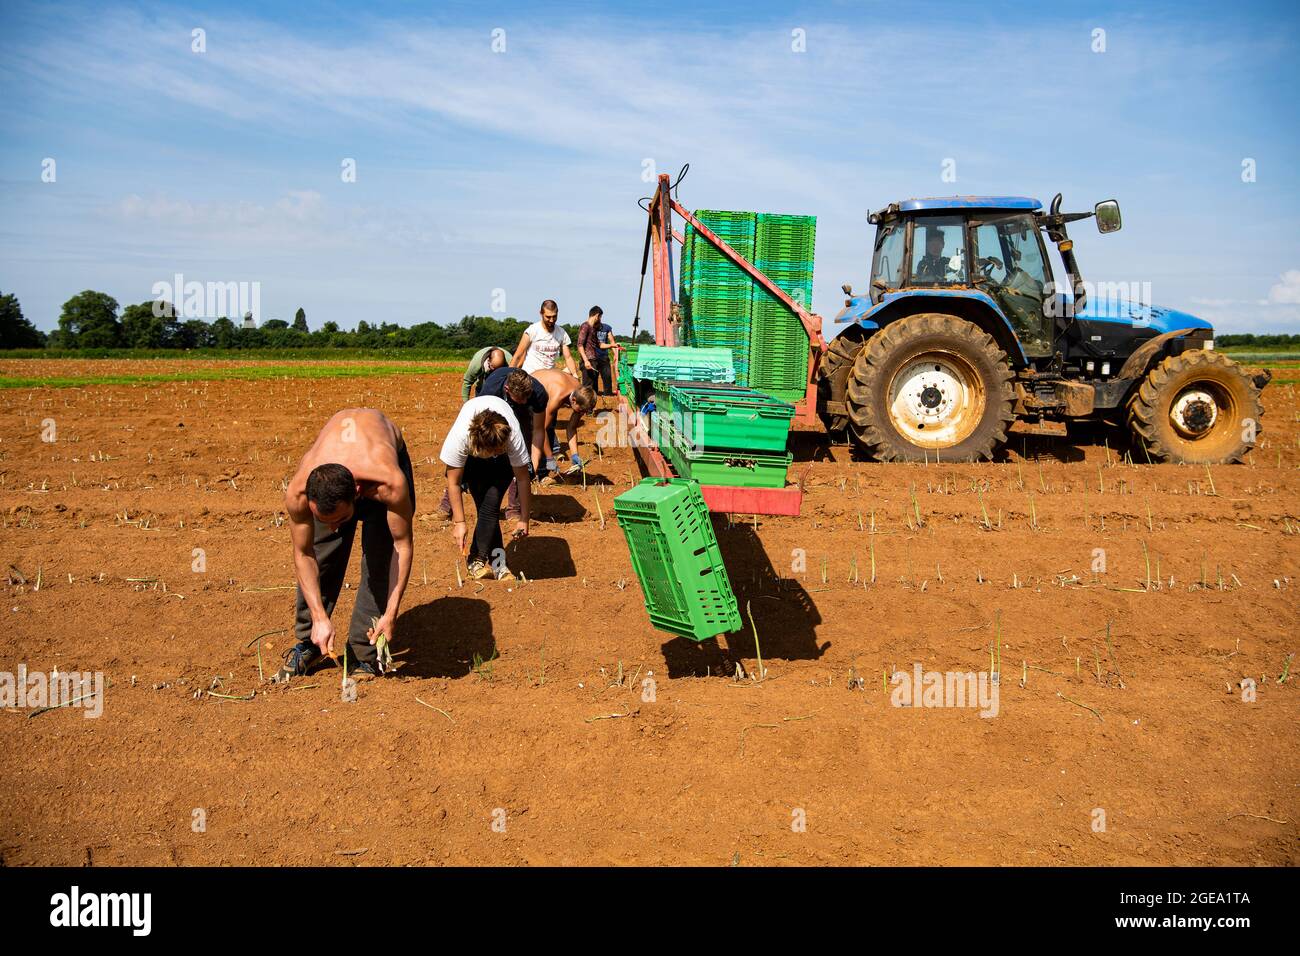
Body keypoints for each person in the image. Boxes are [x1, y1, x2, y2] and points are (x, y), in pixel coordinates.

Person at [279, 409, 414, 681]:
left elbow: (402, 546)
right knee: (322, 549)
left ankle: (364, 652)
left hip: (379, 460)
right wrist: (318, 616)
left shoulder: (389, 483)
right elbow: (304, 554)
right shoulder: (299, 493)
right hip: (335, 471)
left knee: (379, 556)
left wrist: (391, 612)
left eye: (340, 519)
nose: (333, 527)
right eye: (323, 519)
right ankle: (311, 640)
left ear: (357, 493)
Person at [440, 396, 532, 581]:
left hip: (503, 460)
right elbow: (454, 483)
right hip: (474, 461)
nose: (496, 455)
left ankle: (479, 561)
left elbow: (522, 479)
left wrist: (524, 519)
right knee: (486, 509)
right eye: (494, 452)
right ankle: (498, 564)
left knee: (489, 506)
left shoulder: (512, 437)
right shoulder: (460, 438)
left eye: (500, 450)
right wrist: (460, 522)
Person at [531, 368, 597, 477]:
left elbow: (571, 428)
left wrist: (575, 454)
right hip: (531, 389)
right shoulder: (558, 397)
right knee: (534, 432)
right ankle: (534, 473)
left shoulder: (582, 395)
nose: (583, 414)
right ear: (574, 400)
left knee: (549, 428)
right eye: (581, 411)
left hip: (548, 390)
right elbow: (541, 429)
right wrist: (549, 458)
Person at [512, 299, 577, 377]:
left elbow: (568, 357)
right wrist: (507, 376)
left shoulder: (562, 333)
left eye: (554, 316)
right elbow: (517, 356)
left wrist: (575, 375)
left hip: (549, 377)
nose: (551, 320)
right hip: (531, 375)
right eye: (548, 317)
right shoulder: (532, 330)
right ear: (541, 313)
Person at [577, 306, 615, 397]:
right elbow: (580, 344)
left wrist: (612, 345)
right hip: (588, 362)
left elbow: (600, 345)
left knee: (592, 389)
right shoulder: (585, 326)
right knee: (587, 388)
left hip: (593, 361)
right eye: (600, 317)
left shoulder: (593, 329)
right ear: (597, 316)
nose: (600, 319)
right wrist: (586, 361)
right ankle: (585, 409)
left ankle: (590, 409)